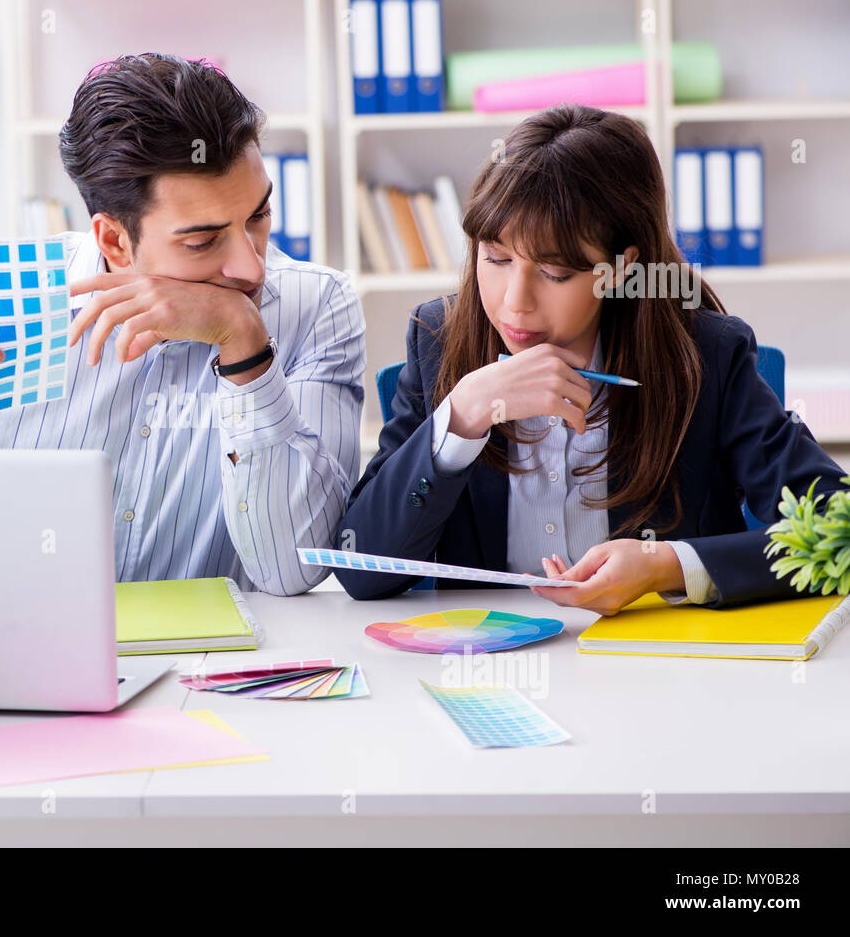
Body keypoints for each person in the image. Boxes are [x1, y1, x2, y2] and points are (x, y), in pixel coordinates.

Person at [0, 54, 365, 596]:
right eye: (203, 241)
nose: (253, 267)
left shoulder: (315, 305)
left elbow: (291, 571)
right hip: (12, 653)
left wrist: (246, 348)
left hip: (209, 668)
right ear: (114, 240)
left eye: (258, 216)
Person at [337, 104, 845, 612]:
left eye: (555, 272)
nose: (516, 300)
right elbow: (361, 570)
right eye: (495, 259)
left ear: (622, 268)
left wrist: (668, 564)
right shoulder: (439, 345)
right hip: (488, 665)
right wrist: (463, 415)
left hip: (665, 669)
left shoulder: (707, 356)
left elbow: (837, 528)